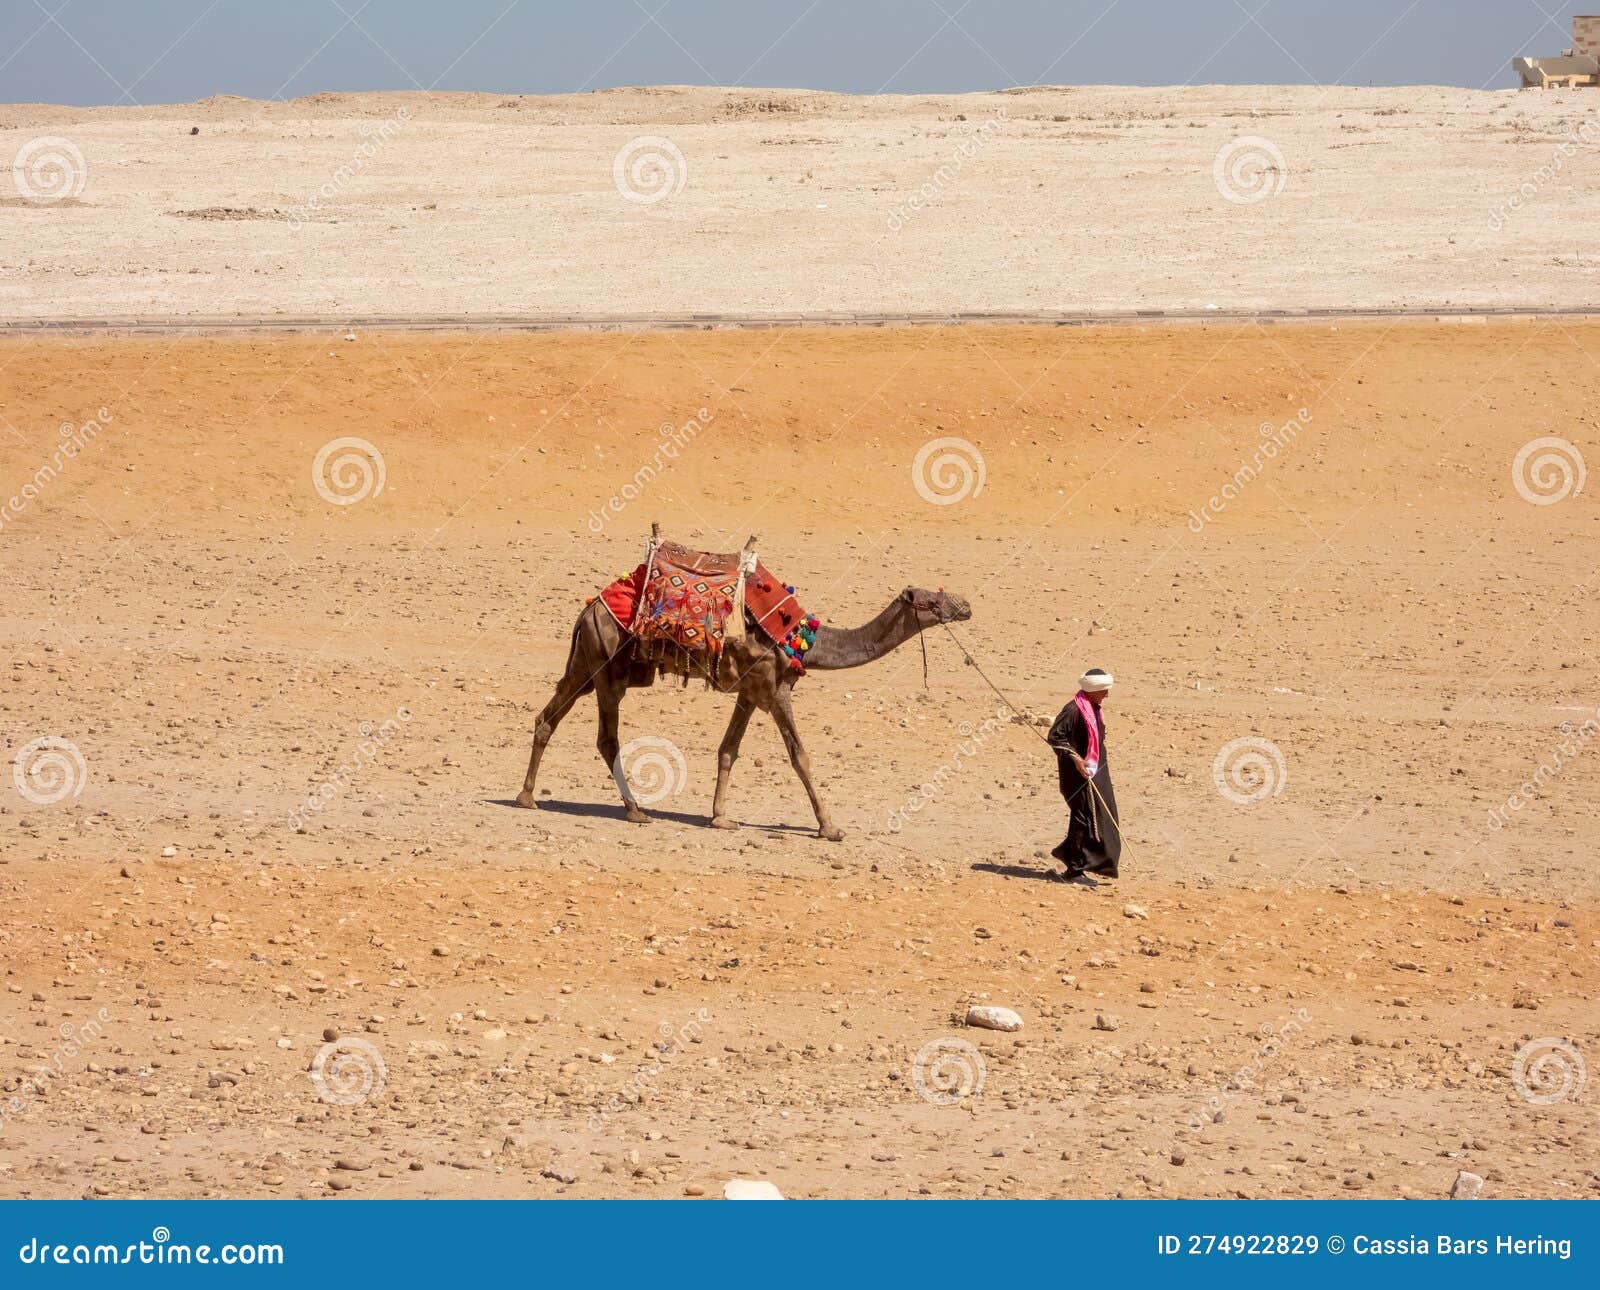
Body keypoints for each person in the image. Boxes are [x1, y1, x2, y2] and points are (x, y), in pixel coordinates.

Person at [1047, 668, 1120, 880]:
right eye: (1103, 690)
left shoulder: (1093, 708)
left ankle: (1086, 864)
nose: (1106, 695)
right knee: (1084, 817)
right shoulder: (1073, 710)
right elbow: (1055, 737)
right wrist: (1077, 759)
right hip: (1077, 774)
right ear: (1092, 689)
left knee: (1102, 816)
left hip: (1097, 771)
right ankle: (1075, 868)